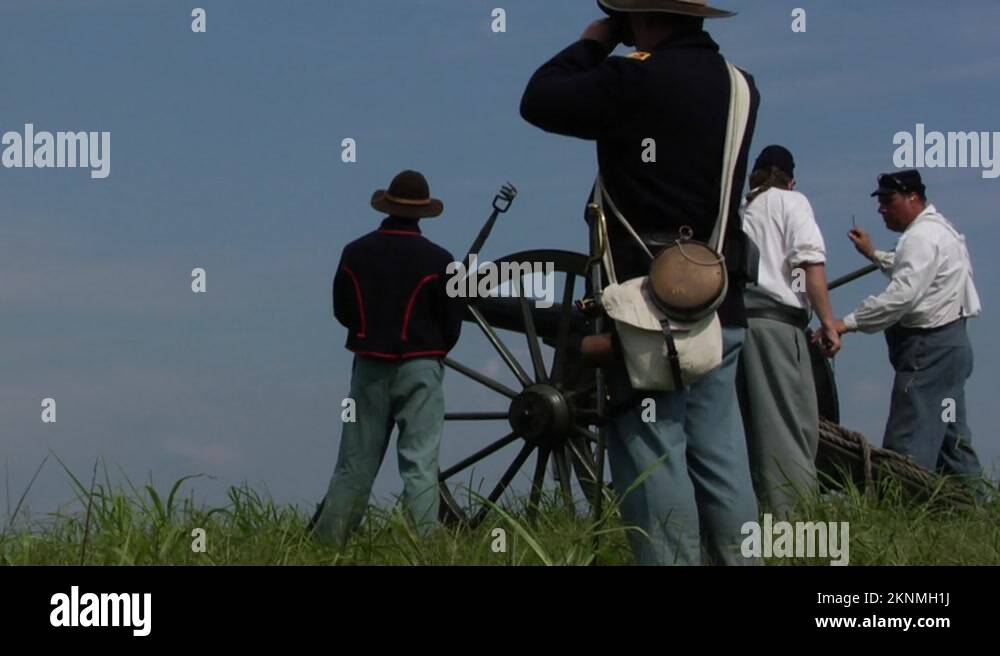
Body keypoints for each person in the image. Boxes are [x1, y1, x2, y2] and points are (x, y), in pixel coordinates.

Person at [520, 0, 761, 565]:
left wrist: (594, 42)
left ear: (640, 18)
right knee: (721, 455)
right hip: (719, 300)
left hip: (646, 307)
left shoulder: (634, 77)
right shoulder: (742, 87)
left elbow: (539, 99)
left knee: (652, 449)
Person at [311, 169, 465, 546]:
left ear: (388, 206)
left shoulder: (355, 252)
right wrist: (432, 351)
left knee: (354, 463)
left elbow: (342, 310)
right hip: (422, 366)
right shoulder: (440, 260)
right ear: (422, 213)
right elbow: (452, 322)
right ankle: (427, 548)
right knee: (420, 464)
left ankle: (329, 545)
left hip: (369, 367)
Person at [834, 170, 983, 481]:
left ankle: (897, 510)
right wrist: (875, 255)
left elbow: (903, 295)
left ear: (914, 198)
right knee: (951, 440)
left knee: (909, 438)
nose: (881, 209)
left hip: (928, 354)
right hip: (952, 352)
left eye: (889, 201)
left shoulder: (920, 238)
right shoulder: (940, 231)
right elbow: (919, 274)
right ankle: (976, 510)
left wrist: (846, 323)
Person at [736, 145, 841, 517]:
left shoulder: (741, 212)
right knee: (788, 429)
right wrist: (829, 324)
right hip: (777, 326)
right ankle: (795, 529)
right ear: (790, 180)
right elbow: (809, 264)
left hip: (734, 329)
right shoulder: (792, 203)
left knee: (748, 431)